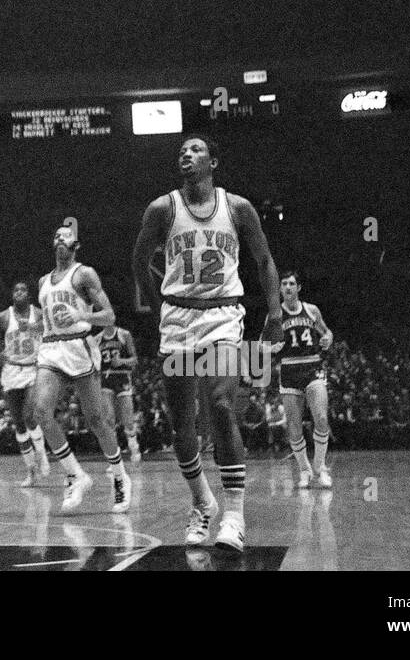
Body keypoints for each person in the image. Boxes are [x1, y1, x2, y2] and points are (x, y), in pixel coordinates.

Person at [130, 135, 281, 552]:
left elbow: (264, 261)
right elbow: (139, 262)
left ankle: (234, 514)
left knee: (218, 403)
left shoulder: (237, 208)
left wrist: (276, 313)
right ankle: (202, 501)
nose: (186, 153)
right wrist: (158, 303)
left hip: (222, 317)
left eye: (195, 150)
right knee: (182, 427)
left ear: (213, 161)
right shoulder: (162, 209)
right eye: (182, 150)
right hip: (177, 321)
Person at [33, 225, 132, 514]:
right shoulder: (43, 281)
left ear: (76, 244)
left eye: (64, 236)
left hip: (79, 347)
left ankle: (119, 476)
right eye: (55, 236)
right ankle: (76, 474)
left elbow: (109, 316)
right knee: (40, 412)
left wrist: (80, 314)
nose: (59, 239)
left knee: (97, 420)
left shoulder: (84, 274)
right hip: (51, 348)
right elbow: (48, 319)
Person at [0, 281, 50, 485]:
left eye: (23, 290)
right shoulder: (3, 317)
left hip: (33, 368)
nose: (19, 292)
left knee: (29, 416)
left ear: (28, 294)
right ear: (12, 294)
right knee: (19, 425)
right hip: (11, 370)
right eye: (16, 290)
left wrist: (32, 327)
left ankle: (42, 454)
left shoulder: (38, 314)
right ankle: (31, 471)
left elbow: (50, 330)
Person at [275, 270, 334, 488]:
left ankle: (320, 468)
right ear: (280, 288)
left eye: (292, 283)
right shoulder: (275, 315)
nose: (288, 287)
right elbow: (263, 343)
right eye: (284, 284)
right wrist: (270, 346)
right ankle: (304, 470)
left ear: (298, 287)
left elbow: (327, 332)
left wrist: (327, 338)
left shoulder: (311, 310)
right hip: (289, 370)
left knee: (321, 418)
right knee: (294, 427)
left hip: (313, 366)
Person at [97, 323, 141, 460]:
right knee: (108, 418)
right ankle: (115, 456)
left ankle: (134, 447)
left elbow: (134, 360)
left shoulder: (124, 334)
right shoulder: (97, 339)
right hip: (105, 377)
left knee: (127, 419)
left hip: (122, 376)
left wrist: (121, 360)